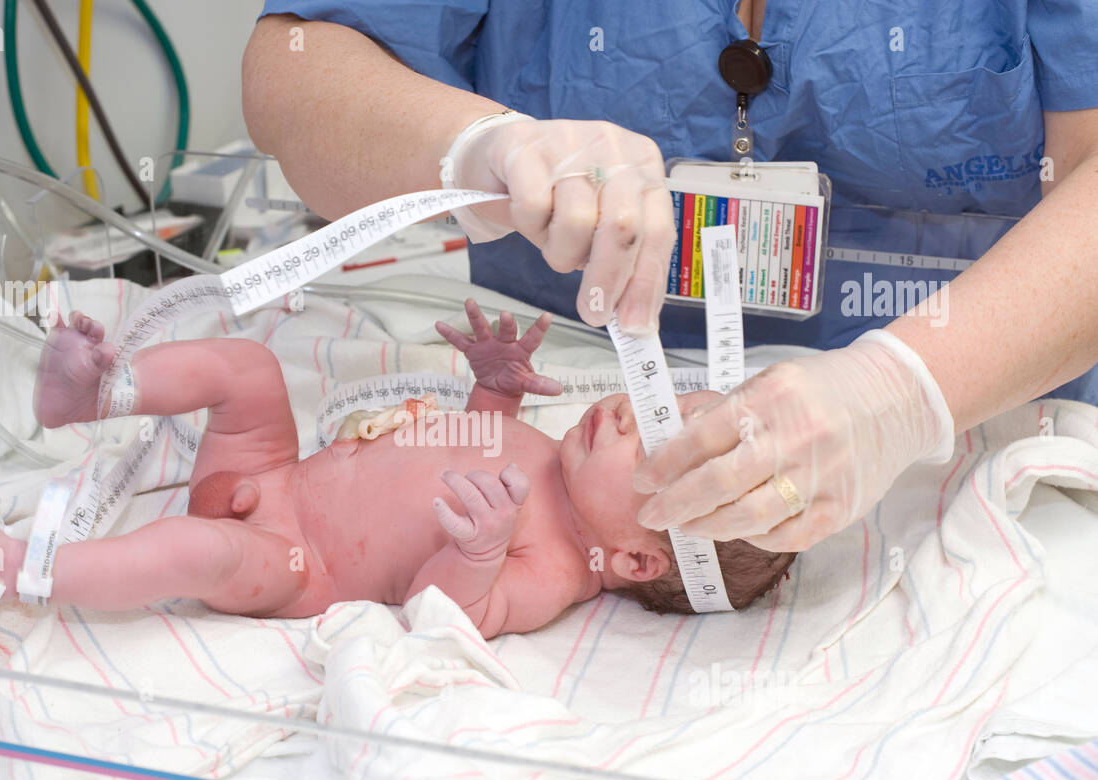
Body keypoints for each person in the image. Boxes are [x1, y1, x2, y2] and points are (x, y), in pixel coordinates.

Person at [241, 1, 1098, 553]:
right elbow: (296, 61)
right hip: (560, 370)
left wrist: (903, 390)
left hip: (978, 398)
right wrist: (483, 145)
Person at [0, 305, 794, 637]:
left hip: (290, 562)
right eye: (655, 405)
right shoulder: (555, 456)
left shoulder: (557, 569)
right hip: (277, 476)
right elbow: (470, 448)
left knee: (192, 550)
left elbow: (442, 610)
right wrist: (493, 392)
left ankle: (16, 563)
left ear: (637, 560)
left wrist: (479, 555)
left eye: (650, 445)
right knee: (247, 372)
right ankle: (102, 392)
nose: (629, 416)